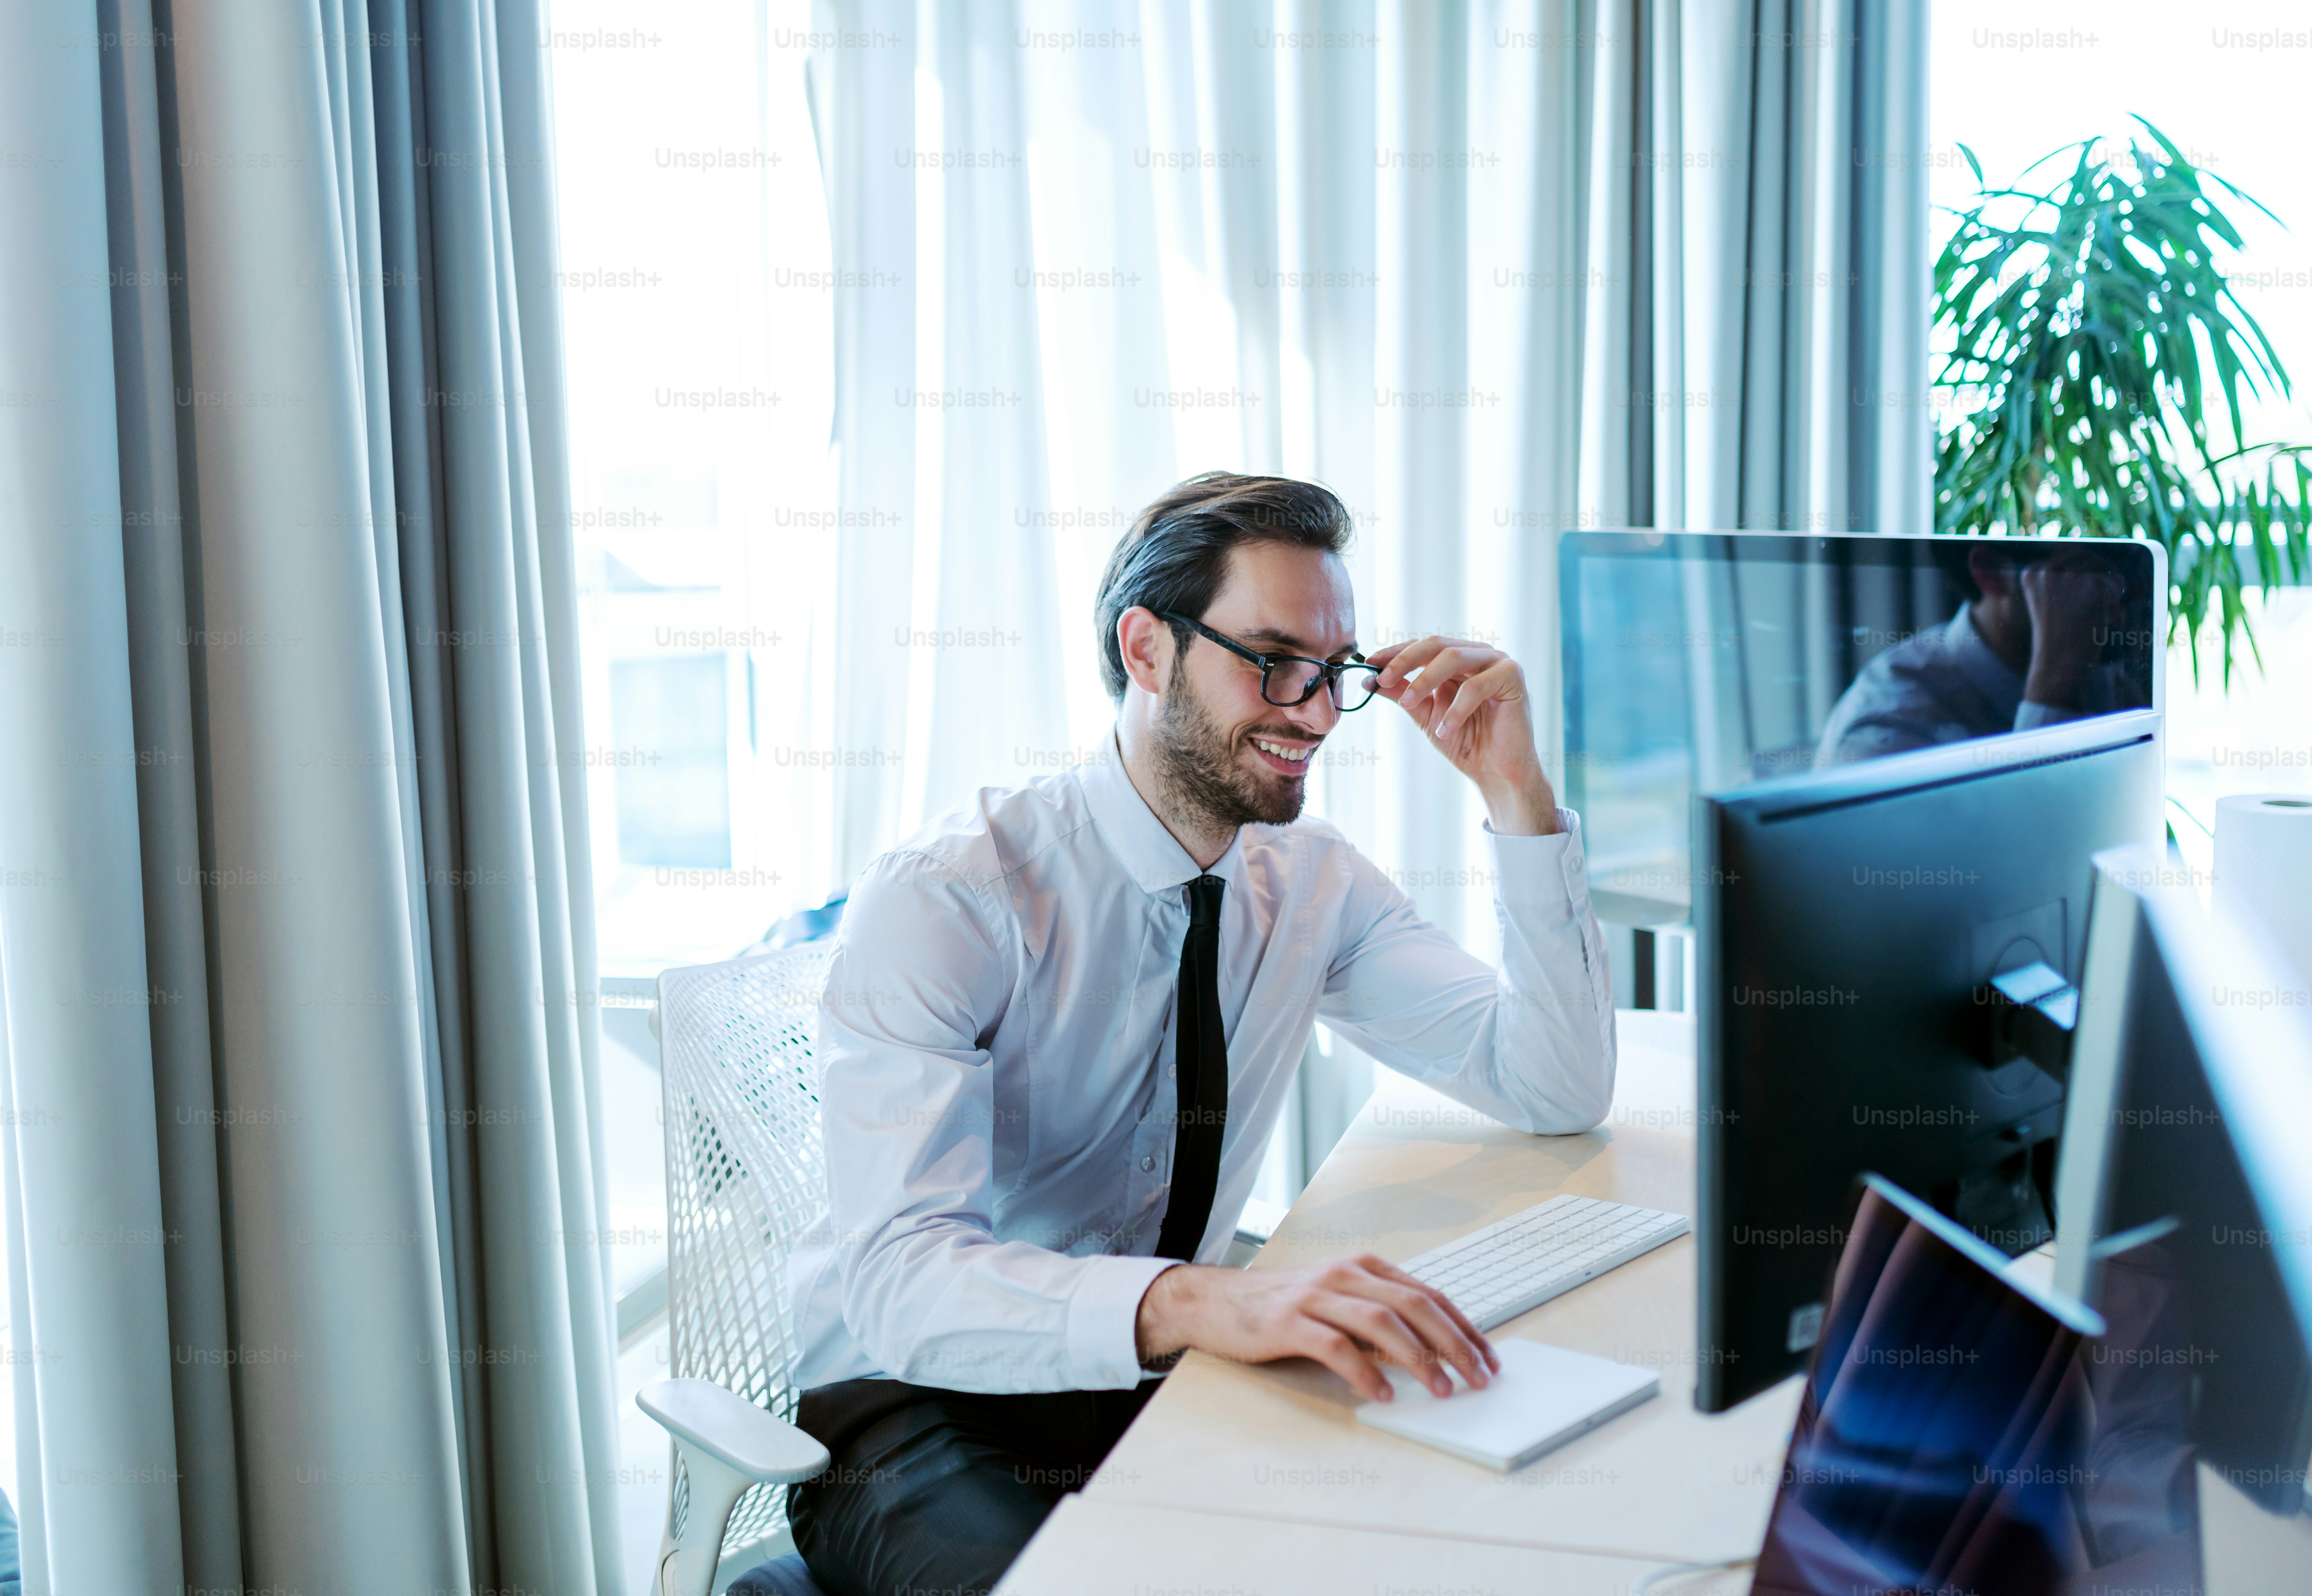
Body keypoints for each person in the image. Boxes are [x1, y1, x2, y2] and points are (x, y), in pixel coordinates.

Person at [783, 473, 1615, 1595]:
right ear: (1145, 649)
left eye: (1334, 674)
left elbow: (1552, 1083)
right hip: (915, 1411)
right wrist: (1200, 1298)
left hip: (1161, 1378)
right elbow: (901, 1283)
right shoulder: (951, 897)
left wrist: (1517, 794)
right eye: (1273, 662)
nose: (1316, 714)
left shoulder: (1312, 883)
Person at [1815, 541, 2146, 767]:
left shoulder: (2102, 682)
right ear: (1991, 572)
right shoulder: (1888, 730)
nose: (2116, 614)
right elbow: (2021, 856)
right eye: (2087, 579)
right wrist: (2054, 691)